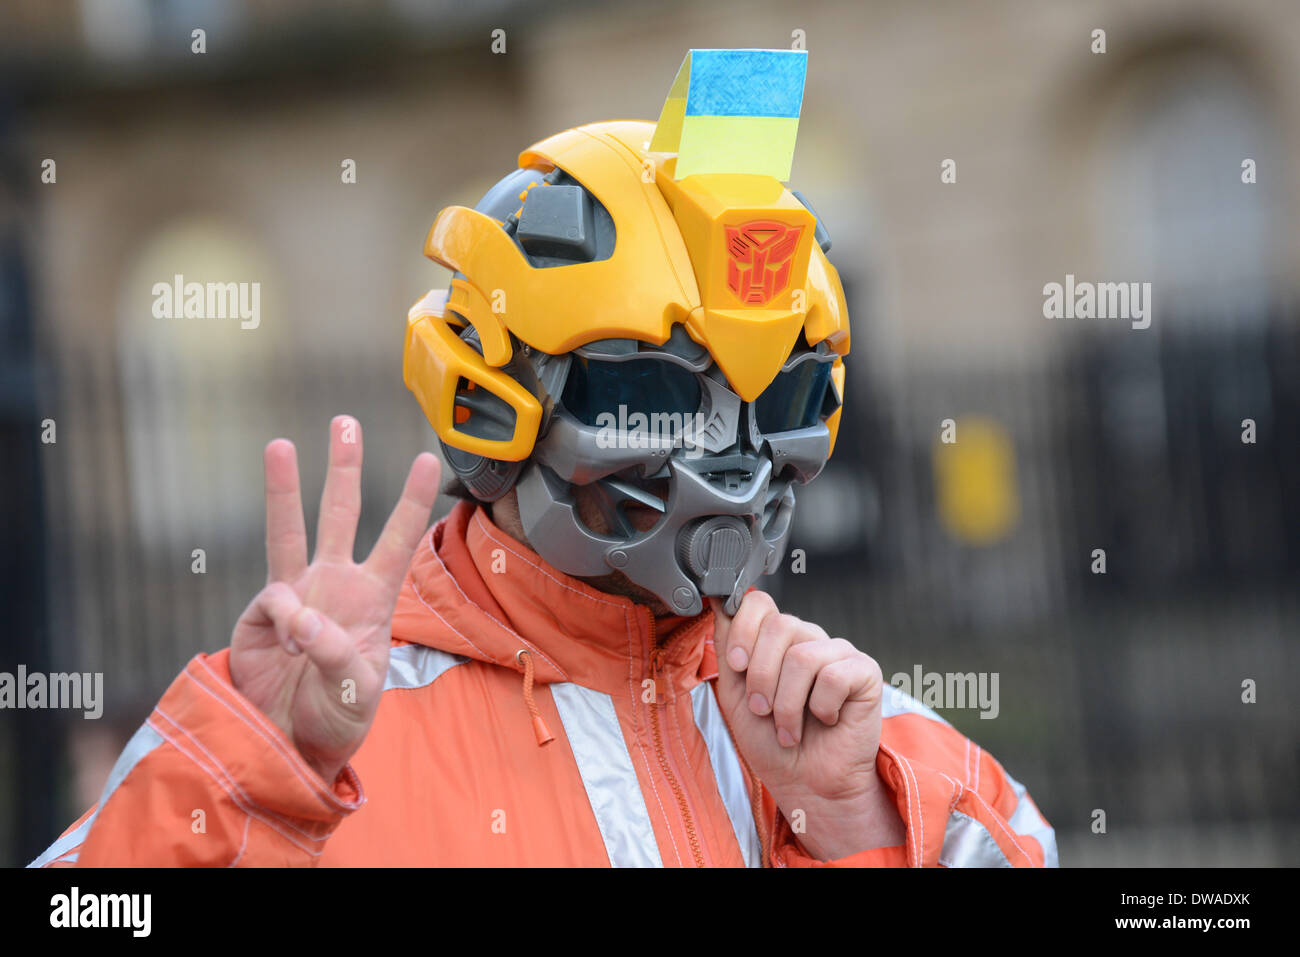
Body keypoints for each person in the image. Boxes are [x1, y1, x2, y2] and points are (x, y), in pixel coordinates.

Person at [30, 51, 1055, 868]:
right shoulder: (323, 735)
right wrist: (245, 786)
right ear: (483, 408)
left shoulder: (874, 749)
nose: (725, 460)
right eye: (649, 394)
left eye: (775, 398)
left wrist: (853, 832)